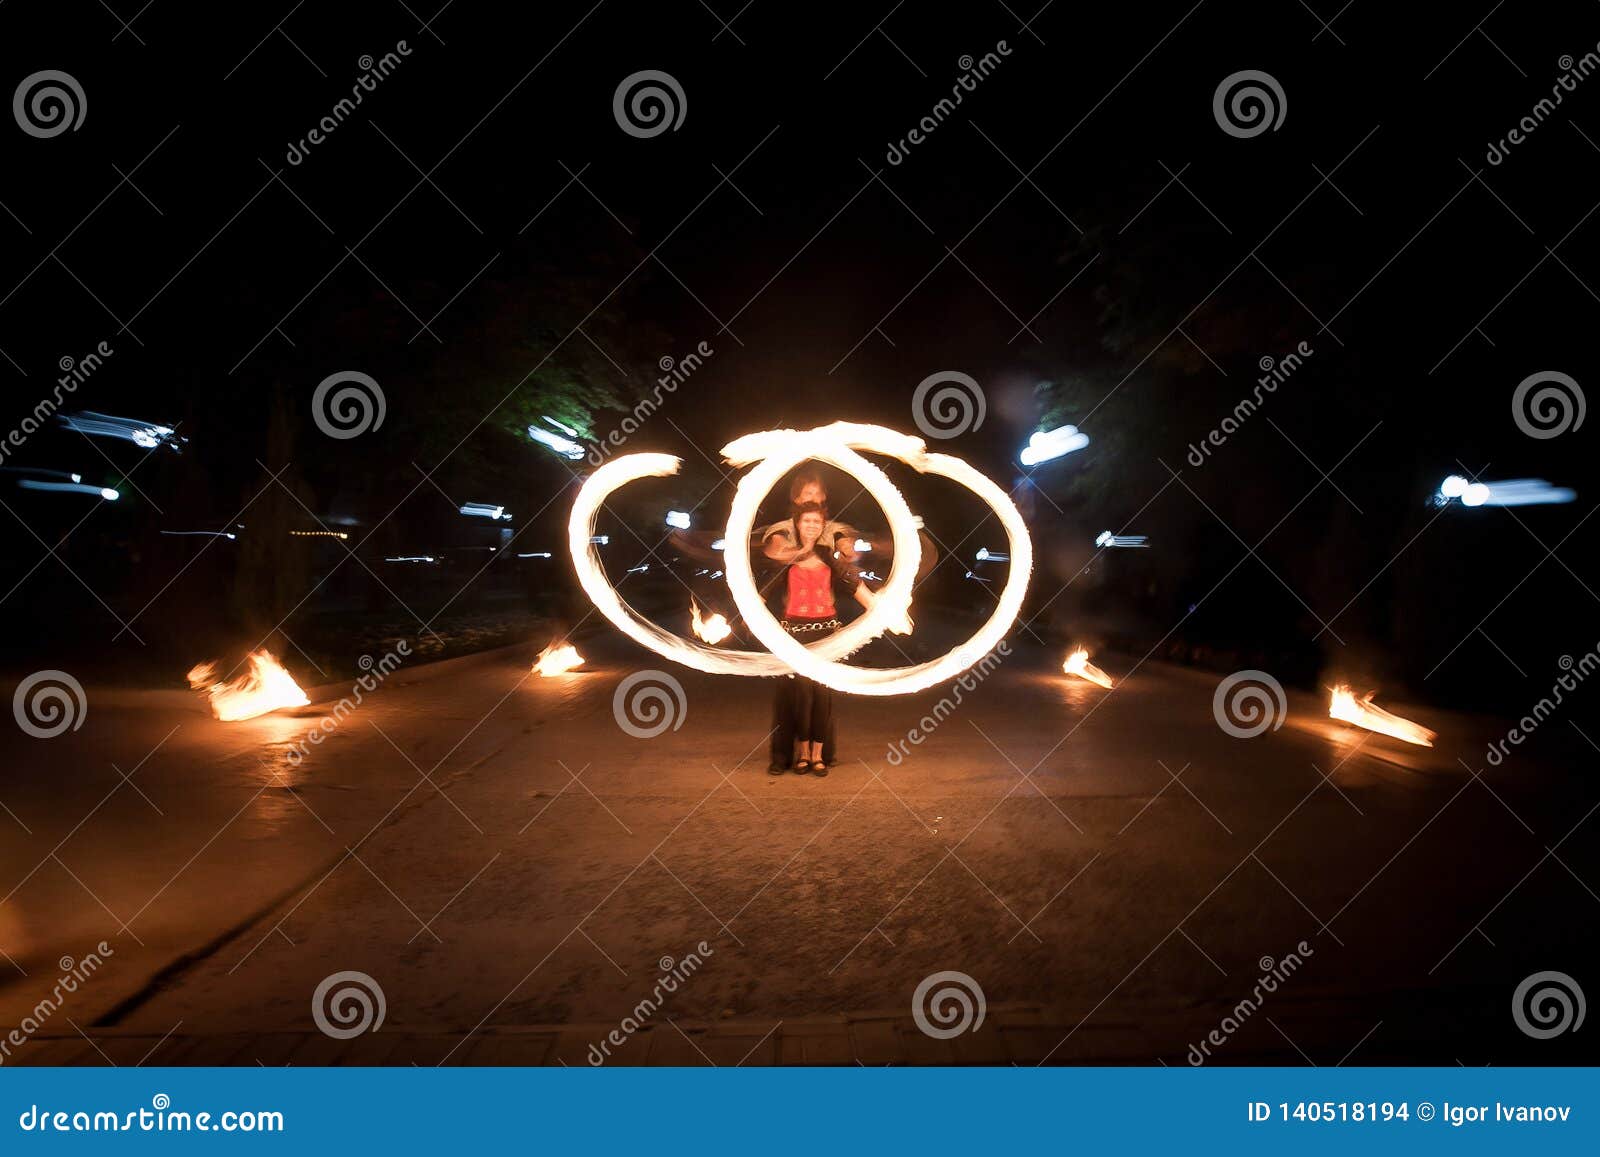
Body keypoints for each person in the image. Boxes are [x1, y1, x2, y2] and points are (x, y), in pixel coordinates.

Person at [763, 502, 888, 776]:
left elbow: (852, 584)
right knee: (803, 696)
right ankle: (803, 753)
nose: (810, 526)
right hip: (794, 636)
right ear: (797, 524)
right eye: (806, 521)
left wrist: (883, 610)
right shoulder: (788, 557)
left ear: (822, 527)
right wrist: (750, 616)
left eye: (816, 522)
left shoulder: (827, 555)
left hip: (826, 634)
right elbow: (763, 591)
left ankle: (818, 755)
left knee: (822, 696)